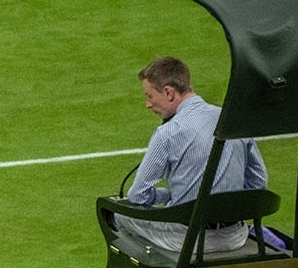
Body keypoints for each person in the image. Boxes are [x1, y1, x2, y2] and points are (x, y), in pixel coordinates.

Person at [113, 55, 268, 254]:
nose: (148, 104)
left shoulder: (168, 132)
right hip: (235, 236)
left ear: (169, 93)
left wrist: (166, 195)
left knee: (119, 216)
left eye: (149, 96)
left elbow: (138, 196)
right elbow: (258, 184)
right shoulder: (232, 120)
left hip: (188, 240)